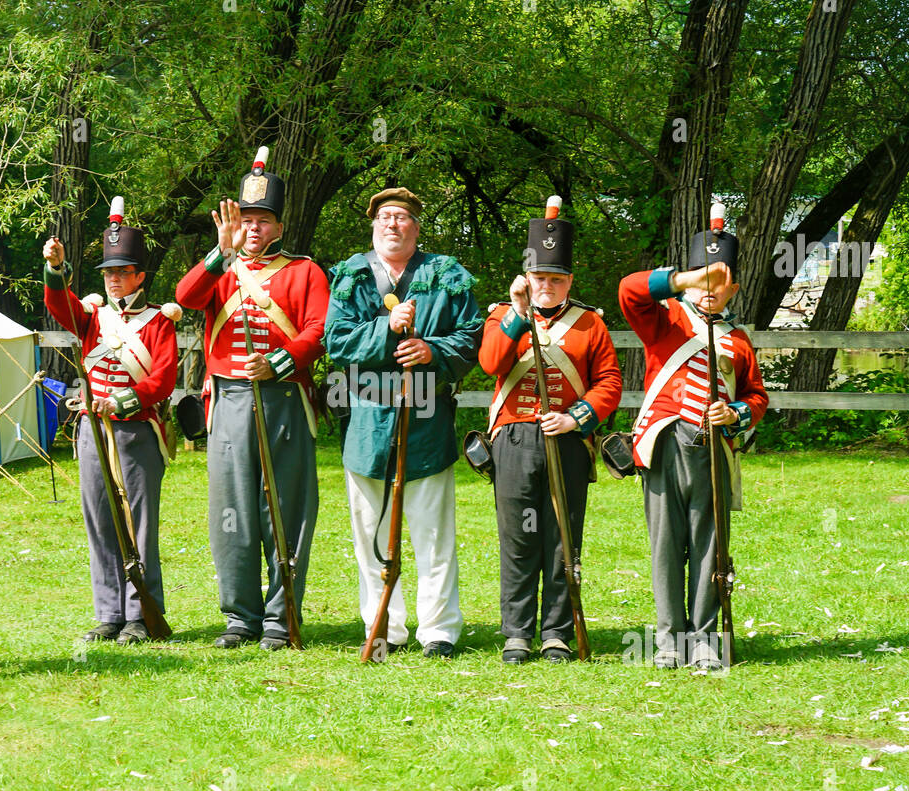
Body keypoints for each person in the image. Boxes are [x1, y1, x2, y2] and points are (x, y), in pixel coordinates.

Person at [175, 148, 329, 651]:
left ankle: (281, 618)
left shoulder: (304, 271)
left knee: (285, 509)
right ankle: (240, 617)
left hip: (284, 397)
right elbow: (186, 296)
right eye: (247, 219)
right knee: (232, 510)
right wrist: (221, 251)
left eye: (263, 220)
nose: (255, 229)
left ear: (280, 227)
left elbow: (318, 330)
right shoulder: (220, 268)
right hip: (230, 400)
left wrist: (282, 361)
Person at [324, 187, 482, 658]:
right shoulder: (351, 274)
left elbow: (471, 335)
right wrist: (385, 331)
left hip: (427, 418)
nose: (394, 224)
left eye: (403, 217)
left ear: (416, 227)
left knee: (433, 533)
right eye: (386, 217)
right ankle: (384, 628)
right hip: (369, 419)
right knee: (369, 533)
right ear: (373, 226)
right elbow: (337, 342)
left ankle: (439, 631)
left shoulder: (446, 275)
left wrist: (433, 351)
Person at [618, 201, 768, 670]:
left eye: (718, 283)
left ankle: (704, 638)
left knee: (709, 542)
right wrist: (680, 280)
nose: (709, 291)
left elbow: (757, 395)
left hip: (713, 449)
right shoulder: (664, 319)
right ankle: (668, 638)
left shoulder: (738, 339)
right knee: (666, 544)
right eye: (702, 279)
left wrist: (737, 413)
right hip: (664, 443)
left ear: (733, 289)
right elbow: (628, 292)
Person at [478, 197, 622, 663]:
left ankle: (556, 631)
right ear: (528, 278)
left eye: (556, 279)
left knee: (563, 535)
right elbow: (490, 364)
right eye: (540, 278)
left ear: (569, 282)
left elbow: (609, 382)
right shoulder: (505, 315)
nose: (548, 286)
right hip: (515, 439)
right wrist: (519, 312)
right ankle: (517, 631)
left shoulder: (590, 323)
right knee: (518, 538)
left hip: (567, 441)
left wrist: (576, 417)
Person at [43, 198, 179, 645]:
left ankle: (141, 614)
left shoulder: (159, 322)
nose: (114, 279)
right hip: (92, 432)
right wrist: (56, 268)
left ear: (140, 275)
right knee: (100, 520)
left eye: (122, 272)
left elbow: (161, 379)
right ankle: (109, 613)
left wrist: (119, 402)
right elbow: (61, 306)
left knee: (138, 522)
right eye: (108, 273)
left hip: (136, 430)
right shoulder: (93, 317)